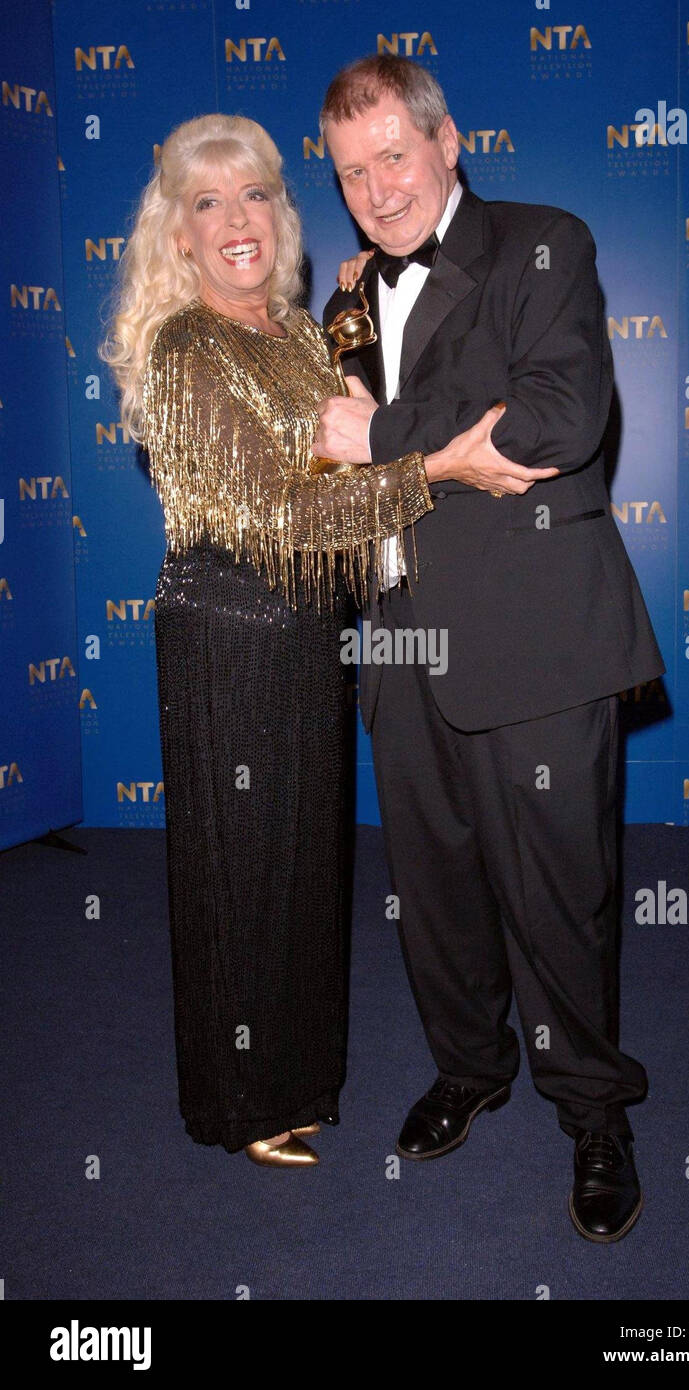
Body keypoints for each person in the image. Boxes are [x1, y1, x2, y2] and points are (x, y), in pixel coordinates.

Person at [99, 113, 518, 1169]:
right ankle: (239, 1099)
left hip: (308, 635)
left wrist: (350, 301)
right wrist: (440, 471)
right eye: (208, 203)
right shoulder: (187, 345)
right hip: (228, 640)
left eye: (255, 197)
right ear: (178, 234)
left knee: (301, 866)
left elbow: (346, 439)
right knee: (239, 872)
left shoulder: (287, 327)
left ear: (278, 214)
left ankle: (294, 1076)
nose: (236, 220)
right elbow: (278, 518)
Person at [315, 56, 666, 1239]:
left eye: (394, 158)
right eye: (351, 173)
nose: (377, 189)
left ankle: (591, 1109)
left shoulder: (542, 241)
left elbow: (559, 418)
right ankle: (469, 1067)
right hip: (403, 638)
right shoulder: (350, 300)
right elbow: (343, 466)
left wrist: (383, 434)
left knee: (558, 895)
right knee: (435, 892)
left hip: (535, 638)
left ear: (447, 140)